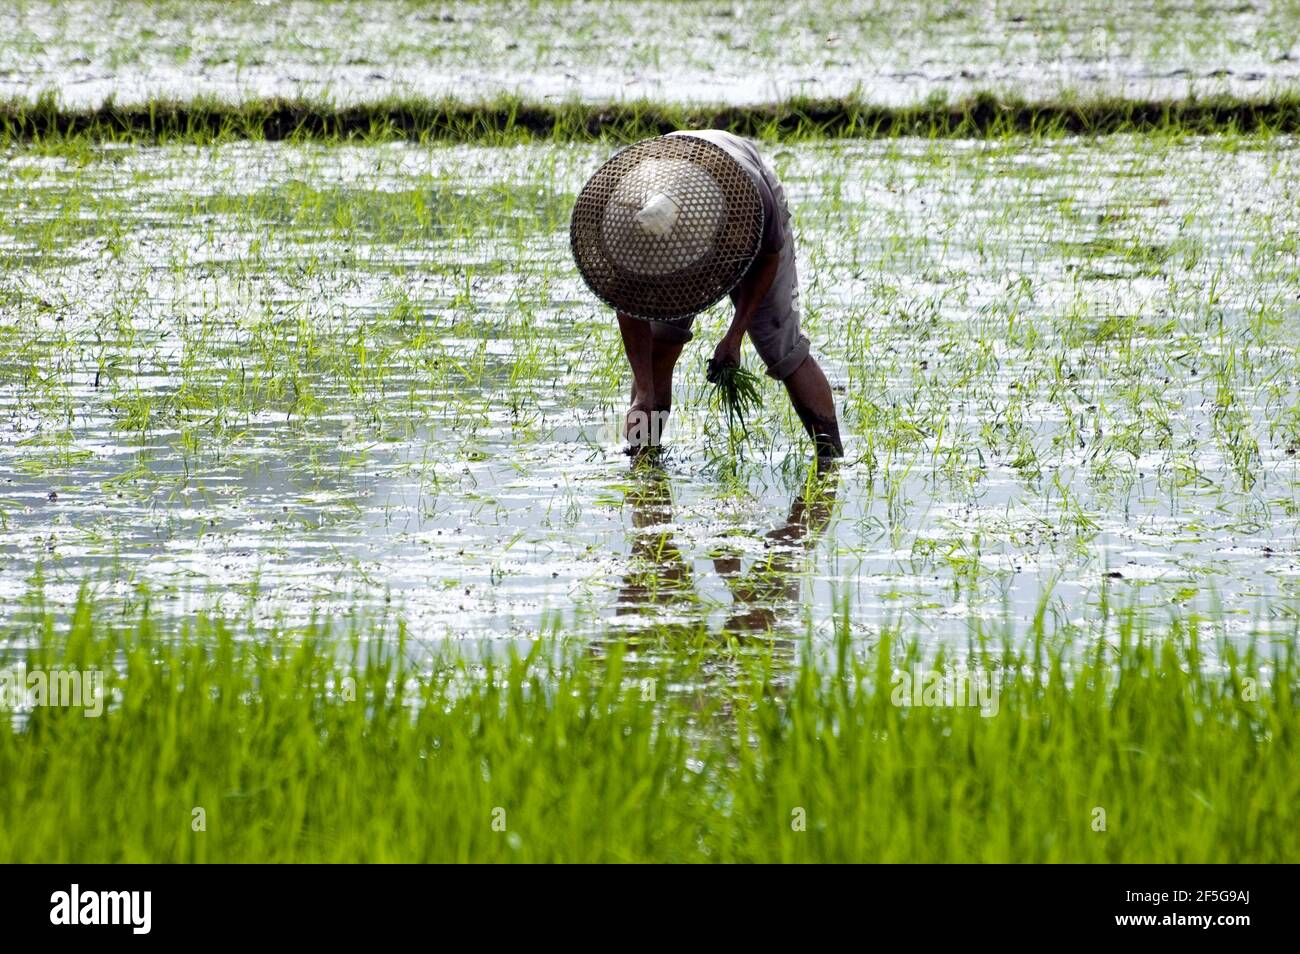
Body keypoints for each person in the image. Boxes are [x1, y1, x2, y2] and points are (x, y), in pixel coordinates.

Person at [616, 129, 843, 461]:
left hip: (745, 209)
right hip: (669, 197)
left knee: (783, 349)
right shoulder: (628, 221)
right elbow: (628, 303)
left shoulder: (746, 196)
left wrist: (735, 336)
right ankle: (643, 456)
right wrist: (644, 389)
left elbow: (767, 259)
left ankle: (831, 458)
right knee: (660, 346)